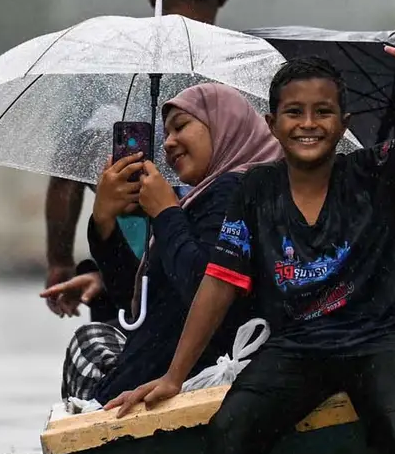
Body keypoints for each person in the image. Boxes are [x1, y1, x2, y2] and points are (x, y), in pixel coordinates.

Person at [107, 28, 395, 454]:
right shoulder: (254, 190)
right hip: (298, 347)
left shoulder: (373, 172)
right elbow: (217, 284)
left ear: (342, 122)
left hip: (382, 341)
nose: (308, 124)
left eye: (323, 112)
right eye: (294, 113)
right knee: (231, 430)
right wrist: (174, 376)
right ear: (272, 124)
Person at [43, 0, 234, 317]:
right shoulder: (242, 73)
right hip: (218, 285)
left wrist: (59, 260)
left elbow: (66, 174)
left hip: (126, 285)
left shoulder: (109, 69)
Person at [47, 82, 279, 404]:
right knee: (97, 338)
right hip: (170, 363)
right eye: (166, 133)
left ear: (225, 127)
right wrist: (104, 222)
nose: (169, 143)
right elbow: (140, 299)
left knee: (88, 345)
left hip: (189, 371)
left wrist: (166, 212)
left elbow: (203, 289)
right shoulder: (208, 196)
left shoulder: (233, 190)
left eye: (181, 127)